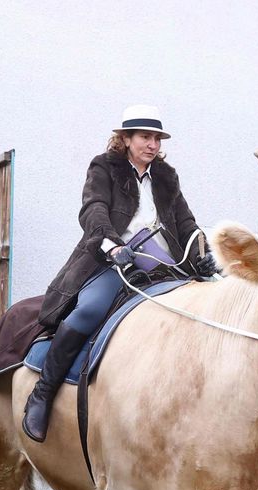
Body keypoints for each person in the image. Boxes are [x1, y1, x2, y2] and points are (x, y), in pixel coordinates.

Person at [22, 104, 216, 442]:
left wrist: (203, 254)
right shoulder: (104, 167)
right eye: (145, 137)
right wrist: (112, 246)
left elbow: (185, 222)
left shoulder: (167, 176)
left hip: (165, 265)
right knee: (90, 309)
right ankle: (43, 392)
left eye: (157, 138)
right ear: (125, 138)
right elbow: (92, 210)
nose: (152, 144)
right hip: (116, 260)